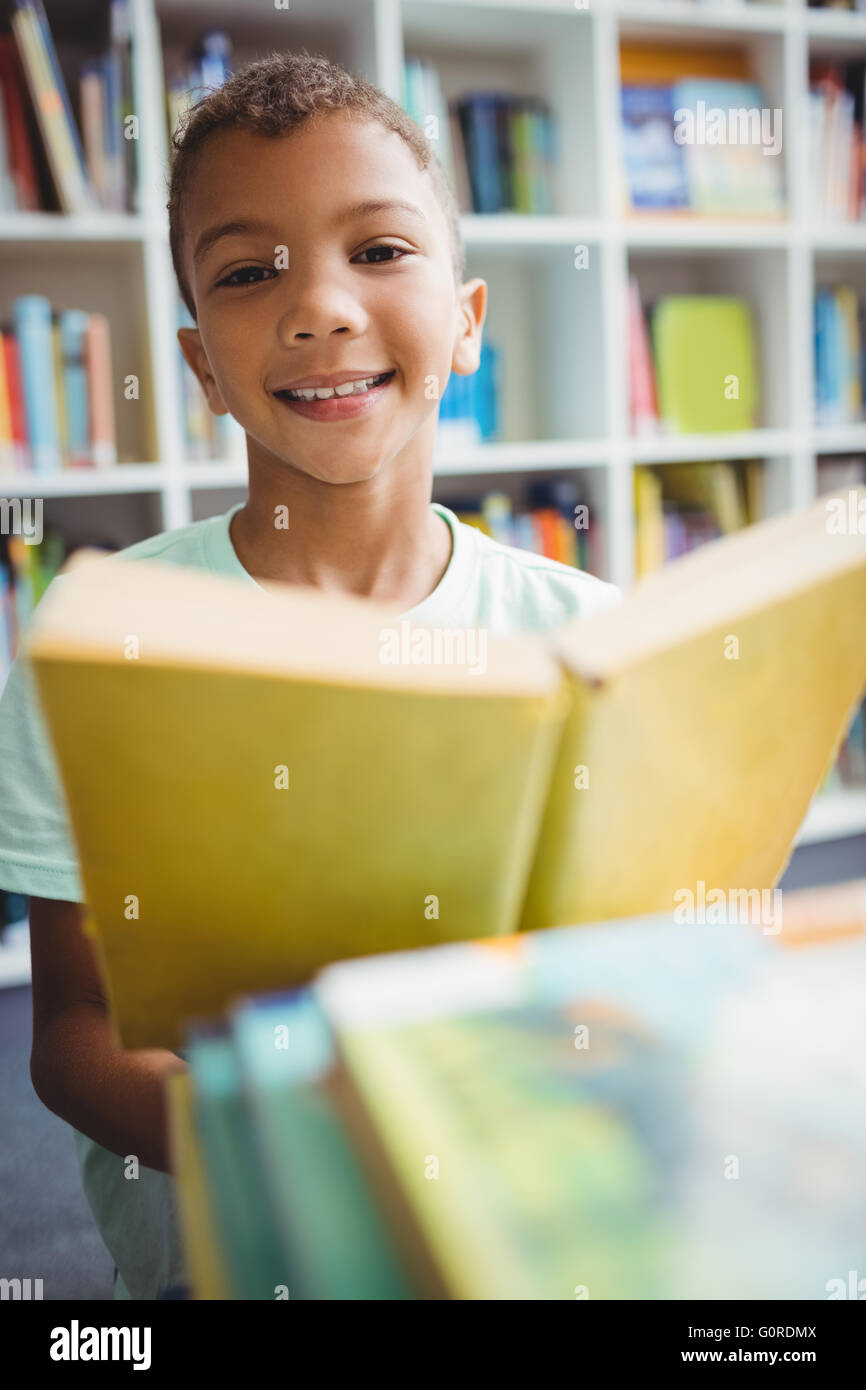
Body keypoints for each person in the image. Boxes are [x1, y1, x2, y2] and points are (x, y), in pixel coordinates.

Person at [0, 51, 622, 1300]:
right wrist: (278, 1146)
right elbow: (72, 1034)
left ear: (467, 313)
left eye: (380, 251)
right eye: (248, 272)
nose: (320, 306)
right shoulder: (107, 627)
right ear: (200, 365)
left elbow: (617, 990)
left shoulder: (585, 634)